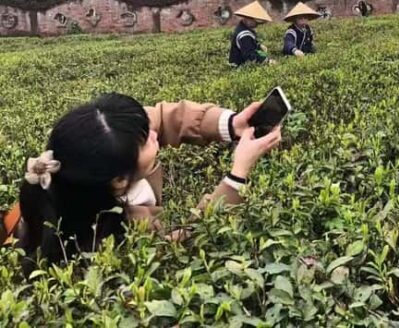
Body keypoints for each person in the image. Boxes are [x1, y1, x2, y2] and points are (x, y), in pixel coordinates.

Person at [12, 93, 282, 269]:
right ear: (119, 181)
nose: (153, 134)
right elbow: (191, 238)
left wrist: (230, 123)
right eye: (145, 139)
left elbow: (161, 118)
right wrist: (238, 174)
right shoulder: (115, 233)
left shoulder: (98, 147)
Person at [229, 1, 272, 67]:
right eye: (255, 22)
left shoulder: (243, 28)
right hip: (240, 67)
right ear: (247, 18)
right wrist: (267, 61)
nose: (256, 25)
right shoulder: (244, 35)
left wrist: (259, 45)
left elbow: (250, 43)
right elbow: (250, 56)